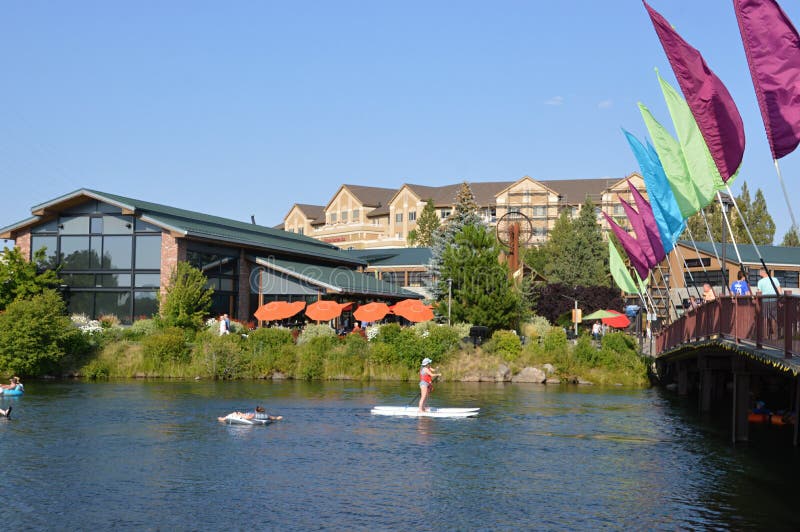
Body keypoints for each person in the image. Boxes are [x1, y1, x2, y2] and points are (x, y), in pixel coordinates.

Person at [218, 405, 282, 422]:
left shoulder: (253, 414)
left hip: (248, 416)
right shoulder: (266, 415)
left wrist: (240, 415)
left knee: (235, 412)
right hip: (250, 415)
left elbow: (248, 418)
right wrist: (277, 418)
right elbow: (272, 418)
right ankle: (223, 419)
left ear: (256, 410)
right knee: (240, 413)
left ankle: (223, 419)